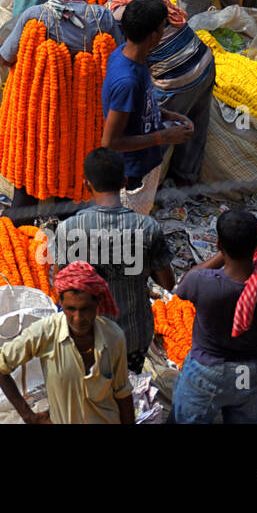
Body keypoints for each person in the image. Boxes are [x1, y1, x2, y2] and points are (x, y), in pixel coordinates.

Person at [51, 149, 176, 373]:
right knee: (128, 391)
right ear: (124, 182)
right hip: (133, 336)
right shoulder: (147, 228)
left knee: (91, 388)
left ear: (86, 184)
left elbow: (59, 282)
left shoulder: (69, 229)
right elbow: (167, 283)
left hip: (87, 335)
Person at [96, 0, 216, 187]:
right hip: (203, 60)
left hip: (176, 78)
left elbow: (129, 48)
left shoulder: (119, 15)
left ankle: (142, 186)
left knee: (153, 134)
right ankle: (185, 179)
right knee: (194, 126)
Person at [171, 210, 257, 423]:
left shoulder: (202, 282)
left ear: (219, 244)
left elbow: (182, 284)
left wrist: (223, 253)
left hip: (205, 372)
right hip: (247, 374)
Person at [0, 261, 136, 424]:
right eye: (71, 309)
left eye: (85, 309)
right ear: (61, 305)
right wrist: (29, 416)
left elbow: (123, 393)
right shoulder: (46, 332)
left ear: (97, 304)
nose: (78, 319)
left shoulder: (113, 336)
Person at [101, 0, 195, 213]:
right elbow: (110, 141)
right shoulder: (127, 80)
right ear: (154, 35)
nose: (164, 32)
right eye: (163, 27)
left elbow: (136, 107)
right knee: (128, 229)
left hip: (144, 162)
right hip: (132, 173)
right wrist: (164, 137)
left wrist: (166, 115)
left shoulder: (129, 54)